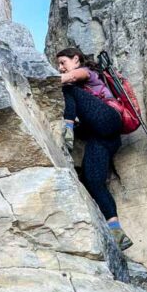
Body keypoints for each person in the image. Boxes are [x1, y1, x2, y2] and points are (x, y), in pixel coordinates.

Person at [56, 46, 133, 251]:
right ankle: (116, 230)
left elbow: (71, 77)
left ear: (76, 59)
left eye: (63, 62)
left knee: (68, 88)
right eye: (59, 65)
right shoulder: (81, 83)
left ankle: (67, 130)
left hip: (108, 118)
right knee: (93, 180)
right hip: (105, 137)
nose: (60, 67)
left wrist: (44, 80)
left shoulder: (87, 72)